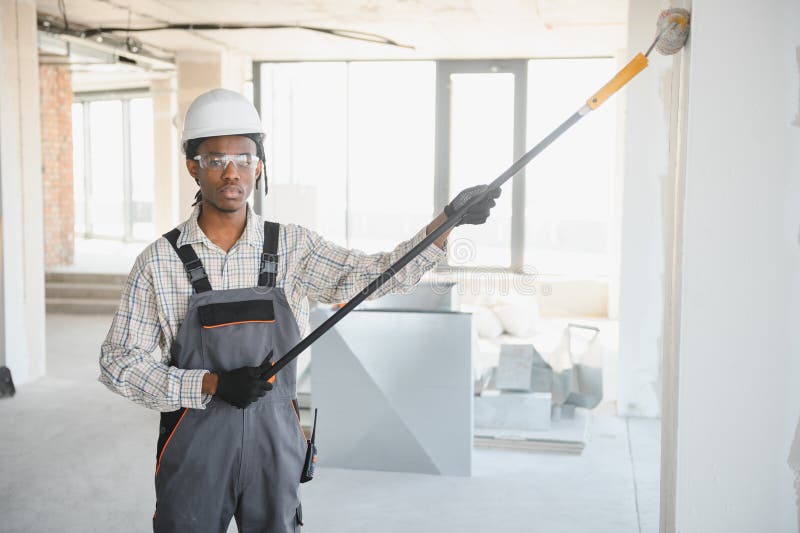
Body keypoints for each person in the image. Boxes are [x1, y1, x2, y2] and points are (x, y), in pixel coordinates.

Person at [99, 88, 500, 533]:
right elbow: (118, 363)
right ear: (194, 166)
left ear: (259, 165)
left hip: (276, 445)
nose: (231, 172)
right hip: (195, 448)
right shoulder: (160, 262)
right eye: (215, 160)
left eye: (244, 158)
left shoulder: (292, 247)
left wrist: (446, 223)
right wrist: (209, 383)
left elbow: (375, 274)